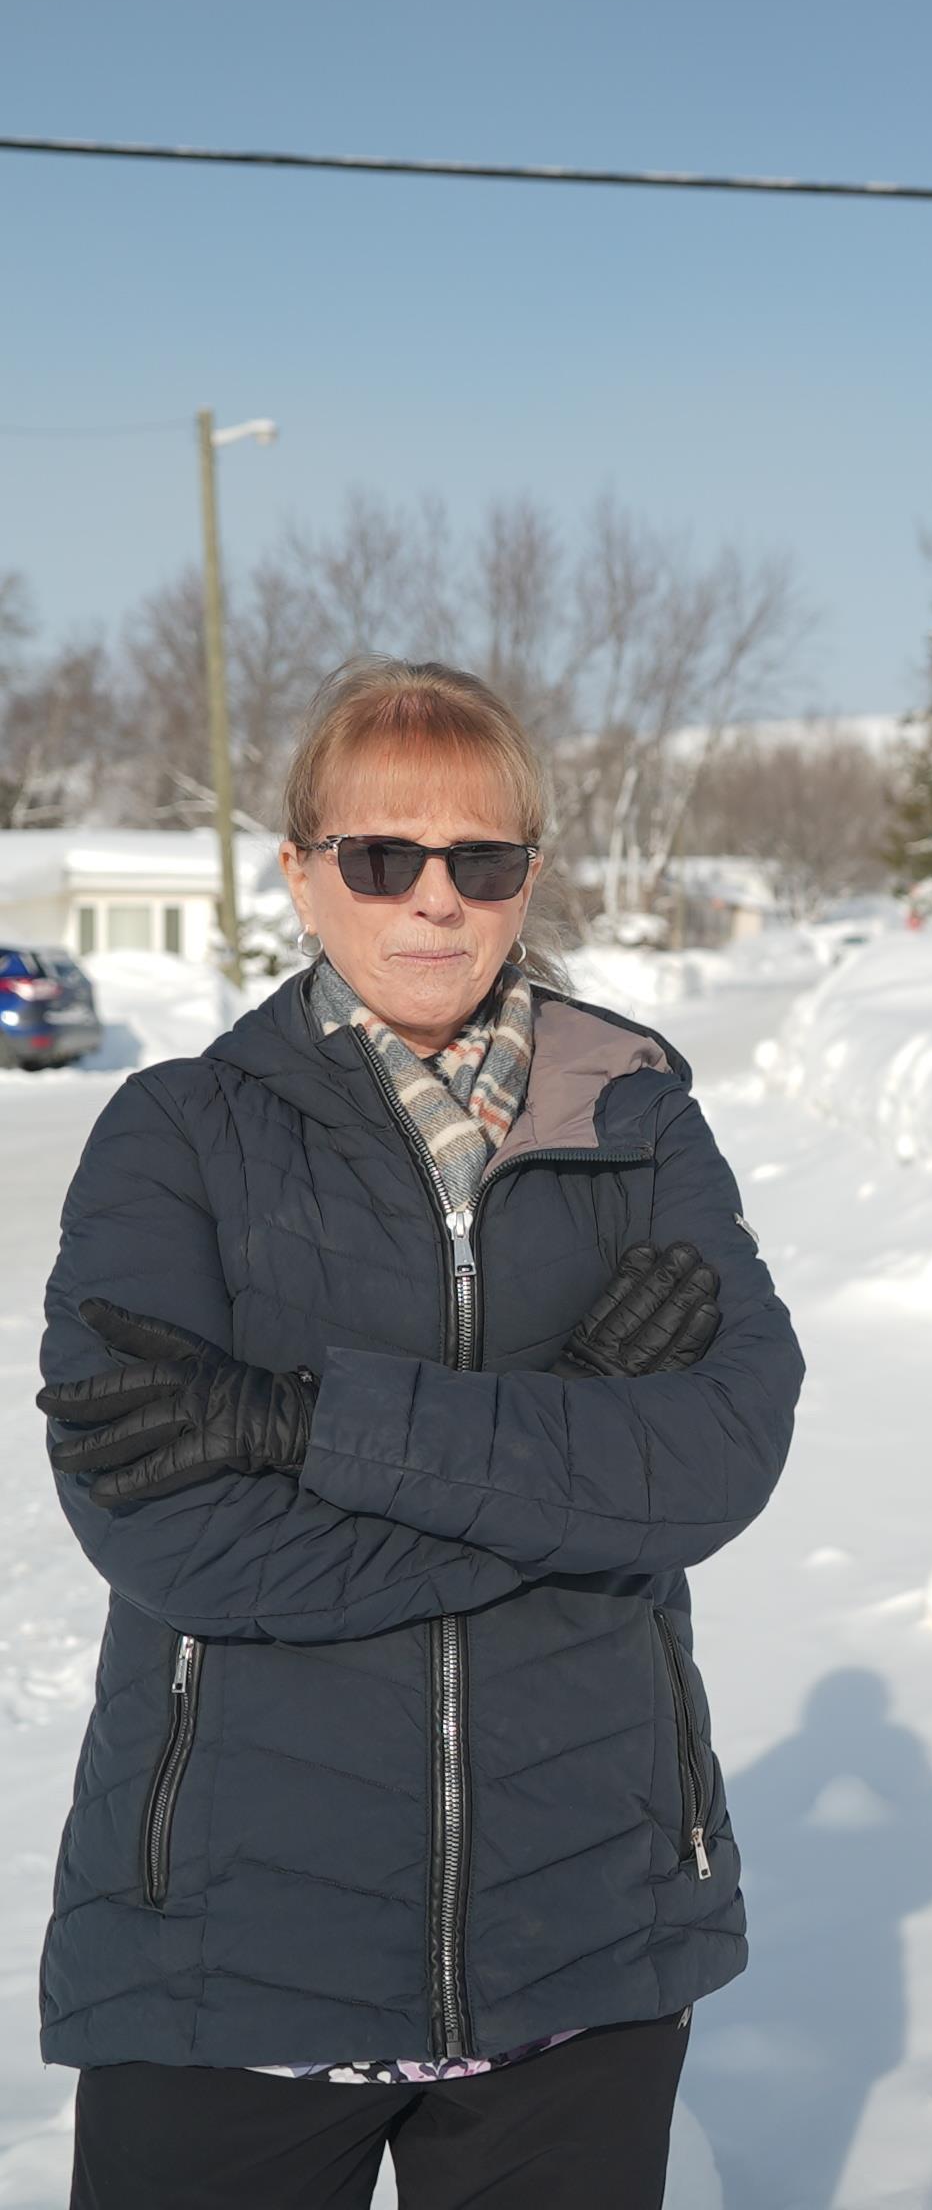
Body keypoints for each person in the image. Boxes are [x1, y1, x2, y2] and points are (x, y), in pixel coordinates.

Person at [31, 658, 805, 2209]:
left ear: (529, 879)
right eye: (385, 856)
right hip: (232, 1958)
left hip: (577, 1942)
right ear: (303, 872)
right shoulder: (175, 1132)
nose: (434, 901)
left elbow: (719, 1452)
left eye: (483, 859)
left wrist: (303, 1424)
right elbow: (173, 1535)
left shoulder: (634, 1113)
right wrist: (577, 1458)